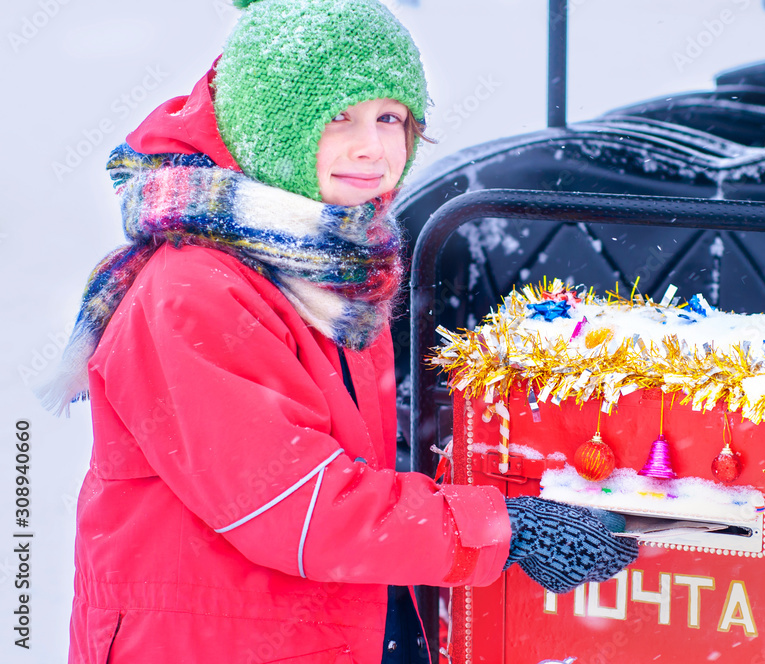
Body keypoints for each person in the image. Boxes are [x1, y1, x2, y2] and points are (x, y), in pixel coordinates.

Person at [46, 1, 638, 662]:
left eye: (392, 118)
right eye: (338, 117)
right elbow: (302, 507)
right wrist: (504, 529)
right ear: (270, 128)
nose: (373, 147)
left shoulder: (329, 265)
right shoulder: (193, 293)